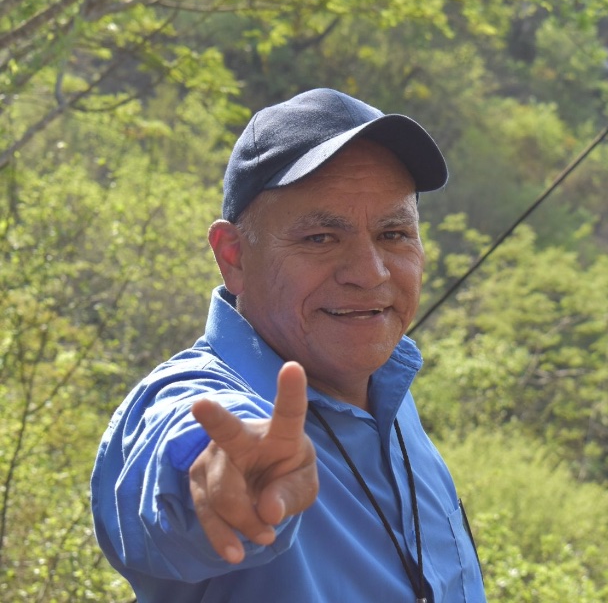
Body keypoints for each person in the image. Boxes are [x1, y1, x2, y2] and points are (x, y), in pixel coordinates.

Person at [91, 88, 486, 602]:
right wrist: (227, 476)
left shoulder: (384, 384)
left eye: (393, 234)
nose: (370, 273)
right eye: (320, 238)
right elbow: (186, 452)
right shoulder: (194, 397)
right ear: (233, 256)